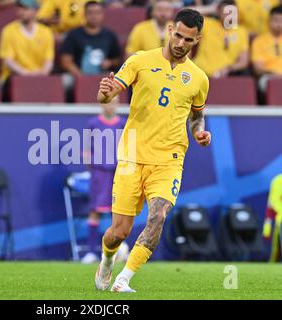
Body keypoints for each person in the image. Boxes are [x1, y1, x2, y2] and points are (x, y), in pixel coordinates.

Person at [94, 8, 210, 292]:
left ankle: (123, 280)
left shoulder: (198, 79)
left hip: (169, 159)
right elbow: (107, 94)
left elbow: (196, 114)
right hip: (133, 156)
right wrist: (105, 91)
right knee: (117, 233)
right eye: (178, 36)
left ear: (197, 40)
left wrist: (199, 132)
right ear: (170, 30)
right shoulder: (140, 61)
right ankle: (108, 259)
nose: (181, 44)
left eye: (189, 40)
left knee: (158, 217)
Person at [81, 96, 127, 264]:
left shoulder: (123, 124)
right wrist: (94, 167)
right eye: (108, 102)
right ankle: (92, 251)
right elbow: (86, 151)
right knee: (95, 211)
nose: (111, 106)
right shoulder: (93, 123)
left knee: (120, 212)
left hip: (118, 174)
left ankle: (120, 248)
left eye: (114, 103)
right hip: (99, 175)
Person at [0, 0, 54, 84]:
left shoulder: (46, 32)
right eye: (19, 8)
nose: (21, 11)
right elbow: (7, 60)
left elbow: (49, 60)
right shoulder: (8, 30)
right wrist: (25, 73)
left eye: (25, 8)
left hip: (39, 77)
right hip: (14, 77)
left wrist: (43, 73)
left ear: (35, 11)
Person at [60, 1, 121, 76]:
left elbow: (117, 60)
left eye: (98, 13)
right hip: (77, 76)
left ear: (103, 15)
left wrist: (110, 62)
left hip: (102, 75)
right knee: (65, 80)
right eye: (90, 13)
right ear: (84, 15)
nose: (94, 16)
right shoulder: (73, 35)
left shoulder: (110, 35)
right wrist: (81, 77)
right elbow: (66, 61)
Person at [193, 0, 249, 77]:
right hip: (199, 71)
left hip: (223, 76)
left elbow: (243, 62)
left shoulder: (242, 32)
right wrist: (211, 8)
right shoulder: (208, 24)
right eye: (226, 13)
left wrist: (229, 68)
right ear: (218, 12)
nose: (229, 16)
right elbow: (184, 14)